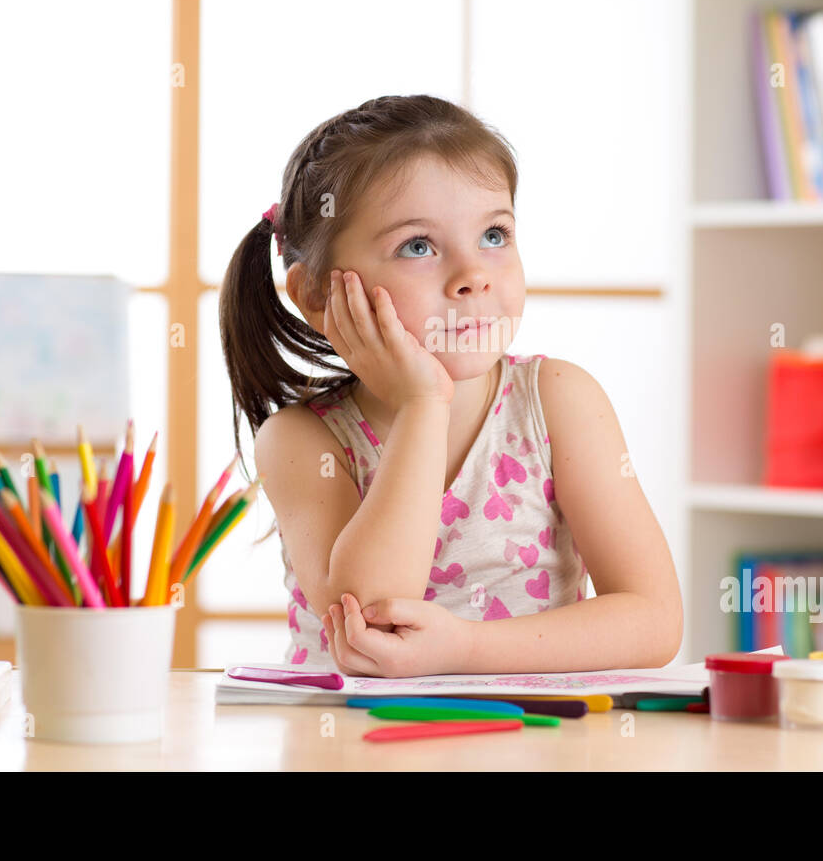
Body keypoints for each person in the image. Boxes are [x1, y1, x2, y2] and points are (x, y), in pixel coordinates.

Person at [219, 94, 681, 676]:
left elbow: (653, 618)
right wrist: (422, 405)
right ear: (316, 294)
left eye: (494, 234)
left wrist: (466, 650)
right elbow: (370, 626)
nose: (473, 276)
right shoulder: (303, 440)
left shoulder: (558, 402)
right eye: (418, 246)